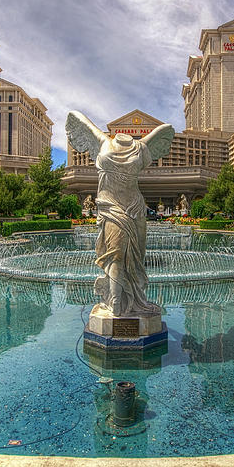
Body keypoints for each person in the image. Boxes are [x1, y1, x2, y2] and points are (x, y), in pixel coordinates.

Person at [66, 111, 174, 316]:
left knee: (136, 258)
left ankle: (135, 301)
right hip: (111, 207)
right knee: (115, 254)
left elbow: (166, 133)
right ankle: (115, 303)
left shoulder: (141, 147)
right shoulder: (103, 141)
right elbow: (74, 118)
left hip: (134, 208)